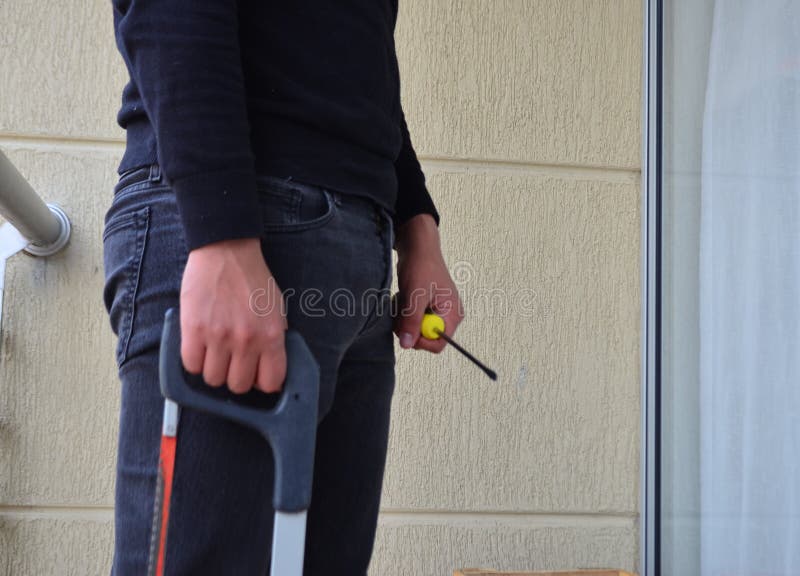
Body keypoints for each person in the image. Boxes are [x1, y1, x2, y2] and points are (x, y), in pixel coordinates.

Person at [102, 1, 463, 574]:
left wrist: (417, 225)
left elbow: (359, 59)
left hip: (354, 242)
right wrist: (222, 236)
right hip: (247, 221)